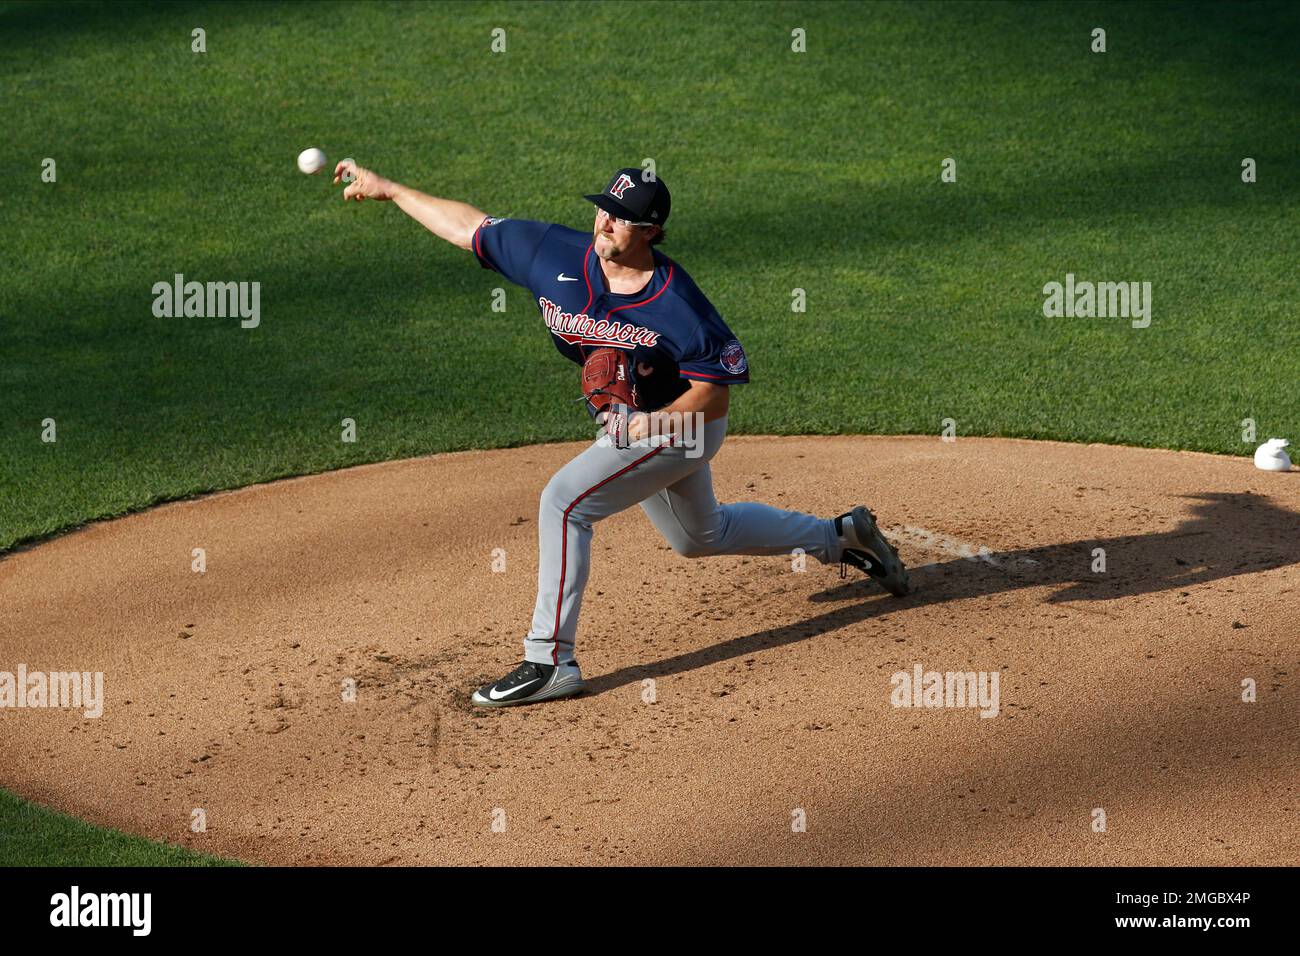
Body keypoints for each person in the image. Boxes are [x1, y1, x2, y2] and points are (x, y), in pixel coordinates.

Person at [333, 161, 911, 707]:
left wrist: (650, 424)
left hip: (682, 426)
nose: (604, 222)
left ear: (651, 231)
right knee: (700, 536)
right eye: (603, 209)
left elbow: (716, 392)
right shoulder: (550, 252)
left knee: (563, 503)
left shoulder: (678, 305)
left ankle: (549, 662)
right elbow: (470, 229)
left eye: (621, 217)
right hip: (640, 424)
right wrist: (392, 190)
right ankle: (841, 537)